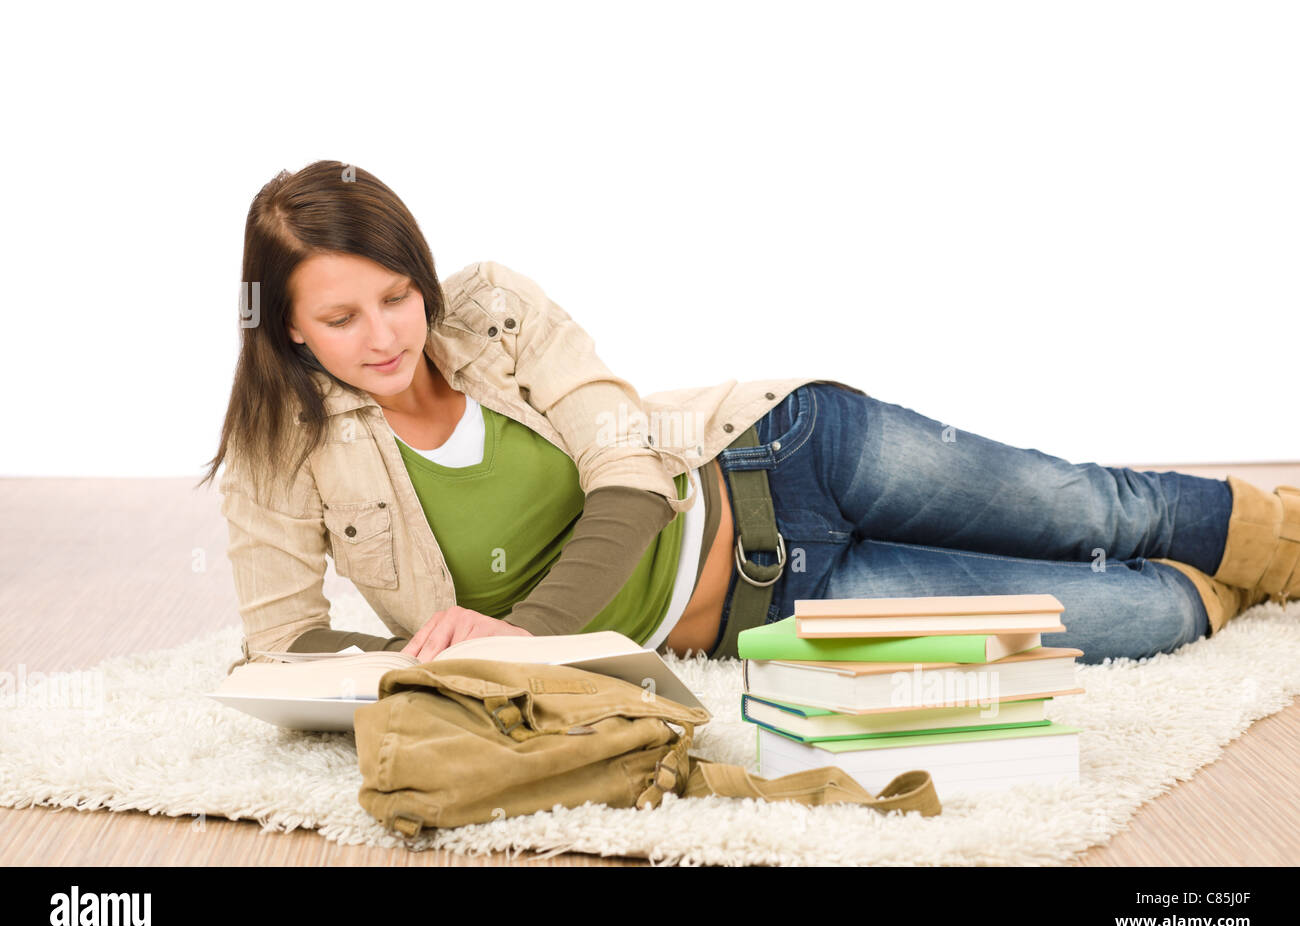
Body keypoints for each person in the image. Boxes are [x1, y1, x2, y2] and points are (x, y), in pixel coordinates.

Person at [201, 161, 1300, 671]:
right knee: (1140, 622)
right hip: (770, 611)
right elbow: (280, 642)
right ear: (290, 330)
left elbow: (626, 471)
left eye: (398, 295)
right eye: (342, 317)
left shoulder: (491, 310)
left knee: (1087, 503)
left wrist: (519, 636)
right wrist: (418, 654)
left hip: (783, 457)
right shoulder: (278, 456)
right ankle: (1237, 575)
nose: (387, 334)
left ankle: (1278, 537)